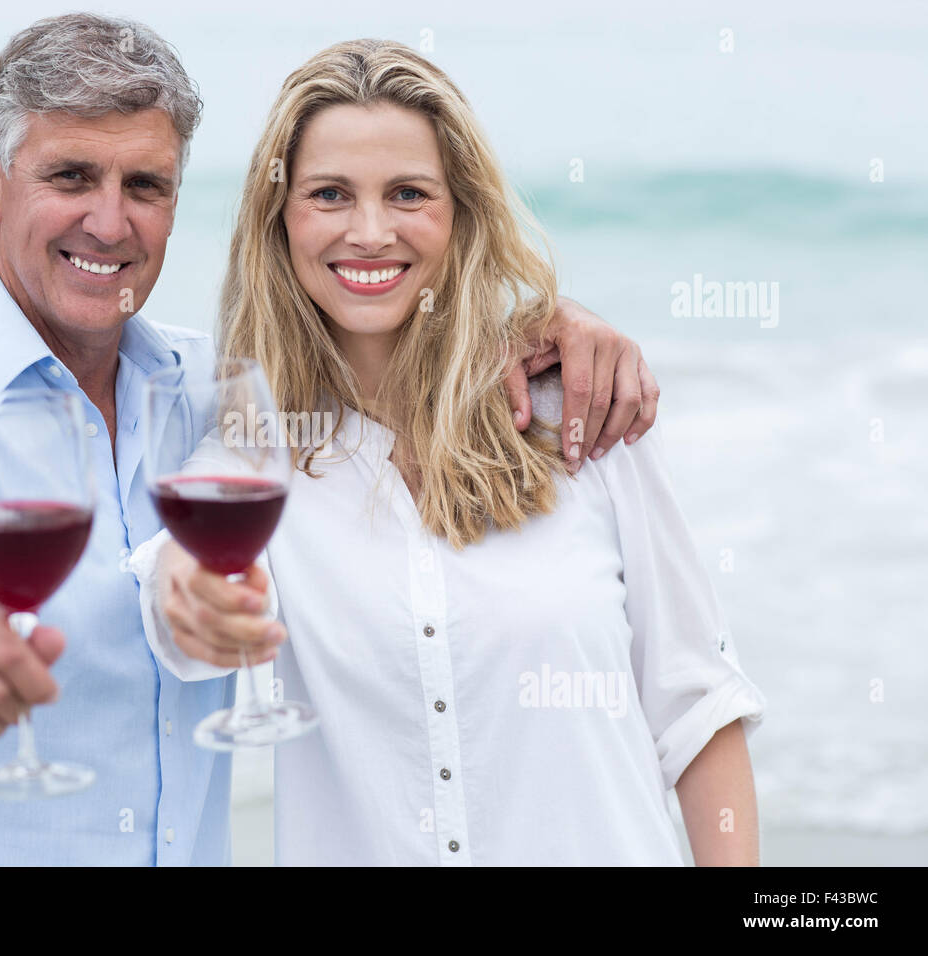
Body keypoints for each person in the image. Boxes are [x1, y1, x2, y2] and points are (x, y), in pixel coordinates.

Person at [0, 14, 659, 865]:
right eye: (71, 177)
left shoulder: (220, 395)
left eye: (144, 186)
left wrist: (547, 325)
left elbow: (373, 355)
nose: (110, 223)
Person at [135, 39, 765, 866]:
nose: (369, 232)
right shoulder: (258, 456)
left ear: (459, 211)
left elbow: (697, 709)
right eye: (329, 194)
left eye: (408, 193)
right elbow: (178, 591)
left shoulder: (579, 415)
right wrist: (185, 592)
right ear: (279, 218)